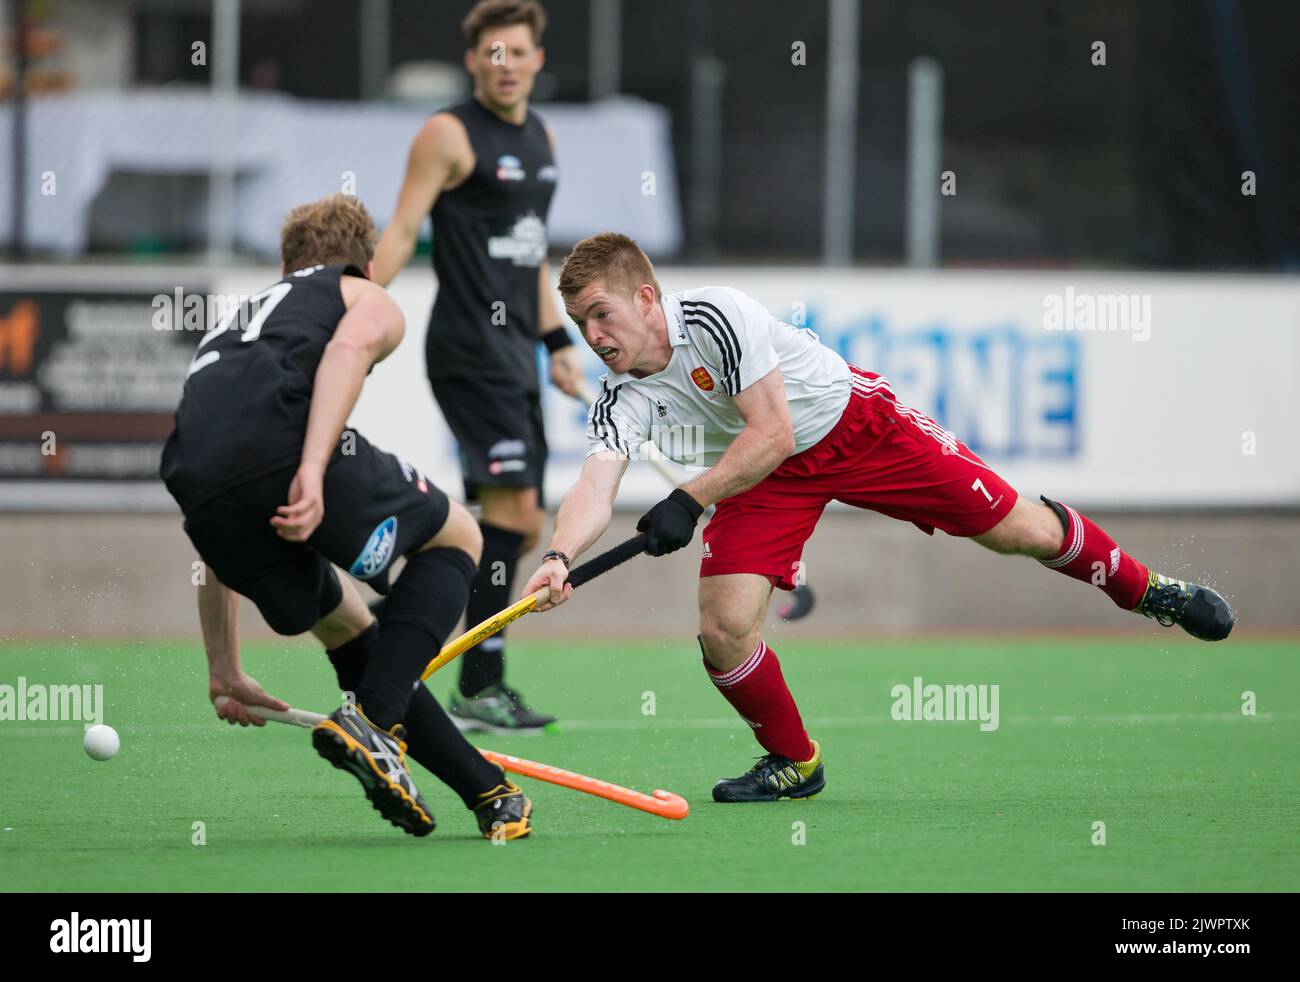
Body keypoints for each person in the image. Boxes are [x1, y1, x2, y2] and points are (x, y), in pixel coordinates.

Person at [521, 231, 1236, 803]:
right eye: (581, 321)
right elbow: (595, 482)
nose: (591, 334)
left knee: (1017, 530)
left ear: (646, 297)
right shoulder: (620, 396)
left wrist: (690, 498)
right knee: (721, 629)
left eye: (601, 315)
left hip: (855, 429)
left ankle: (1147, 590)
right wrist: (557, 557)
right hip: (762, 479)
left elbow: (768, 430)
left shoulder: (714, 316)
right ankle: (794, 762)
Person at [160, 193, 531, 840]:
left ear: (287, 263)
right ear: (365, 259)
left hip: (197, 488)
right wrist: (310, 466)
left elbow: (224, 482)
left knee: (350, 627)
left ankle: (486, 792)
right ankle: (373, 721)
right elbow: (350, 350)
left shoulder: (238, 325)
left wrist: (223, 666)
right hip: (286, 449)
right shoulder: (361, 293)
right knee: (459, 536)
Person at [373, 0, 581, 734]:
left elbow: (530, 252)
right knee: (517, 516)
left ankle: (398, 584)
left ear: (536, 60)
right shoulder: (448, 134)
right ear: (474, 61)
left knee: (519, 531)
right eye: (493, 53)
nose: (506, 65)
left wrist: (556, 344)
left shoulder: (543, 136)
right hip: (468, 348)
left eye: (518, 52)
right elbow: (401, 227)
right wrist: (355, 304)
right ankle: (478, 684)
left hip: (517, 352)